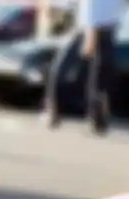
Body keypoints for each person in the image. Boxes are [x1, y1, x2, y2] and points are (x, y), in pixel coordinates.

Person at [41, 0, 124, 135]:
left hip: (101, 27)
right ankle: (54, 108)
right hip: (91, 27)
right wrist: (91, 31)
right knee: (70, 66)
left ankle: (97, 117)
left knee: (99, 74)